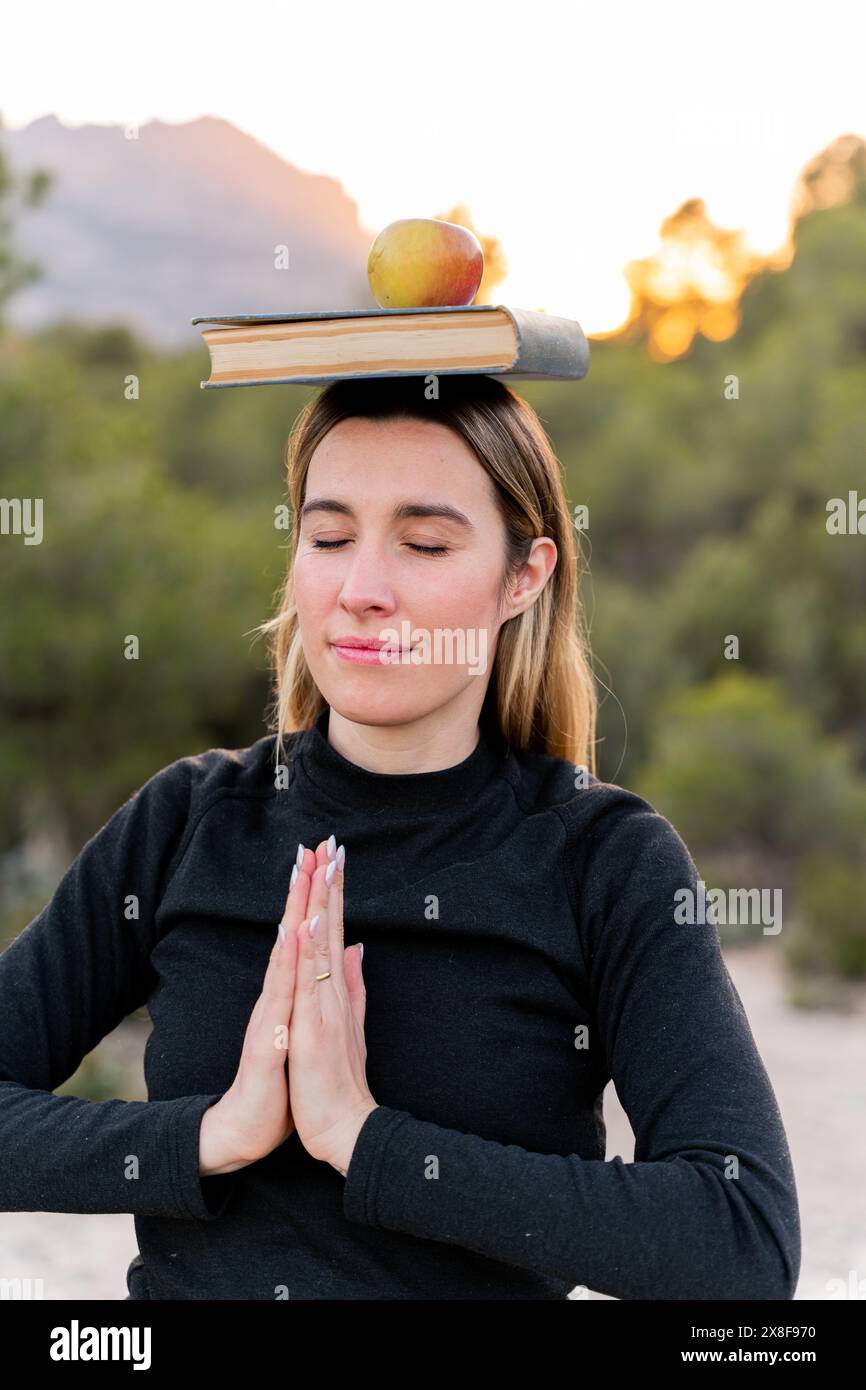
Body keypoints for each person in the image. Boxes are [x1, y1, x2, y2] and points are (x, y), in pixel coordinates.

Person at [0, 373, 800, 1300]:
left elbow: (740, 1241)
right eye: (329, 537)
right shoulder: (190, 822)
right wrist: (210, 1135)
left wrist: (367, 1141)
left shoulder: (602, 861)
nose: (362, 590)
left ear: (524, 576)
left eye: (424, 543)